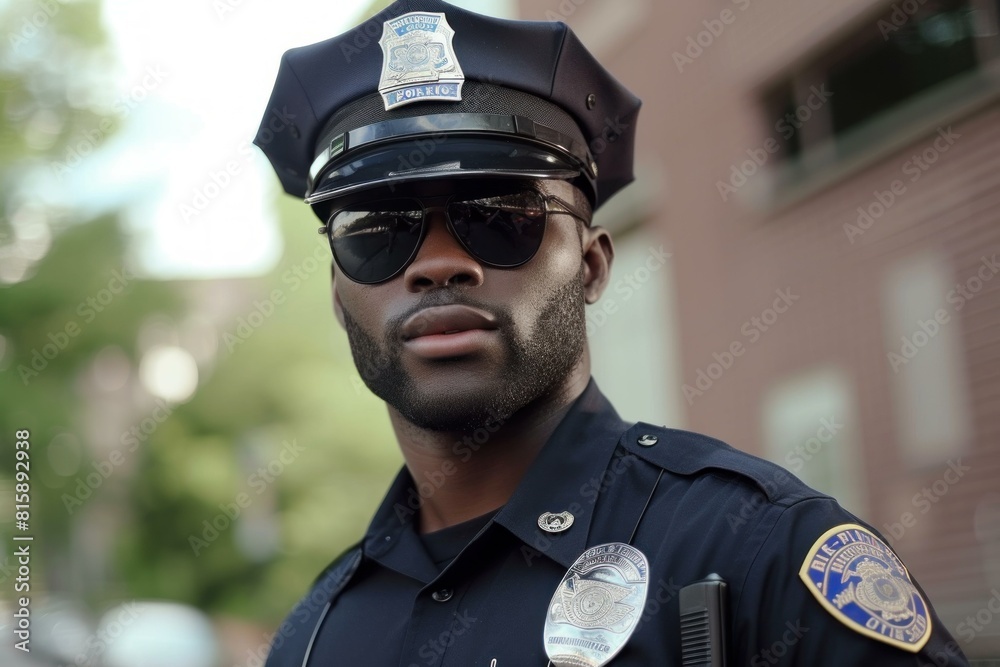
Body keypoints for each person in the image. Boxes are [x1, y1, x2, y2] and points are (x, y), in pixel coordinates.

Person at [253, 1, 970, 665]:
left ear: (591, 265)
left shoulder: (763, 558)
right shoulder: (313, 636)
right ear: (340, 299)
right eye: (376, 232)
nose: (441, 262)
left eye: (501, 214)